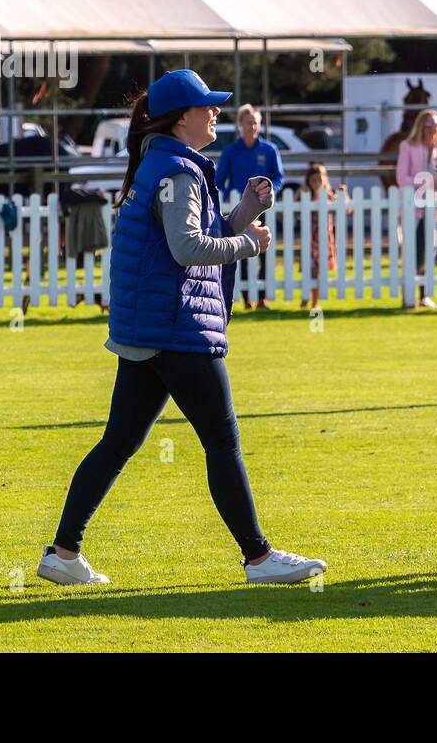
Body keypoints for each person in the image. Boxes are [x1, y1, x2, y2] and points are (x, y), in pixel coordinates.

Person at [39, 69, 325, 587]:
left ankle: (63, 553)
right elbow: (188, 249)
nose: (216, 112)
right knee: (222, 441)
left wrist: (245, 212)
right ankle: (259, 559)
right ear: (182, 118)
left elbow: (189, 237)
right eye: (208, 106)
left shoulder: (164, 164)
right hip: (177, 325)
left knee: (118, 442)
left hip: (151, 323)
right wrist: (250, 242)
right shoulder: (178, 172)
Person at [216, 104, 284, 310]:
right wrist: (229, 198)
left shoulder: (269, 150)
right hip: (241, 212)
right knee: (242, 251)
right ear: (240, 126)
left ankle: (262, 298)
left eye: (255, 122)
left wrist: (269, 192)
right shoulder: (230, 152)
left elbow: (279, 177)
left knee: (264, 252)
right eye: (248, 123)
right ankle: (246, 298)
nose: (252, 126)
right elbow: (219, 180)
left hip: (264, 209)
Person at [396, 108, 437, 309]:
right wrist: (426, 181)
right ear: (420, 126)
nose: (432, 129)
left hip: (436, 208)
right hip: (415, 209)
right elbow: (402, 178)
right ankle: (410, 293)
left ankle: (424, 294)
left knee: (431, 250)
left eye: (435, 125)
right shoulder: (408, 146)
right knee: (414, 251)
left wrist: (436, 182)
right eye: (428, 125)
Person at [300, 161, 342, 311]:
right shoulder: (307, 197)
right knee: (309, 270)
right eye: (313, 180)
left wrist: (344, 194)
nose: (317, 183)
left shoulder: (328, 196)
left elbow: (346, 208)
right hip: (310, 240)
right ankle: (306, 298)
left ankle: (314, 301)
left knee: (318, 272)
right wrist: (300, 192)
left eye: (319, 179)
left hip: (324, 240)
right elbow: (294, 207)